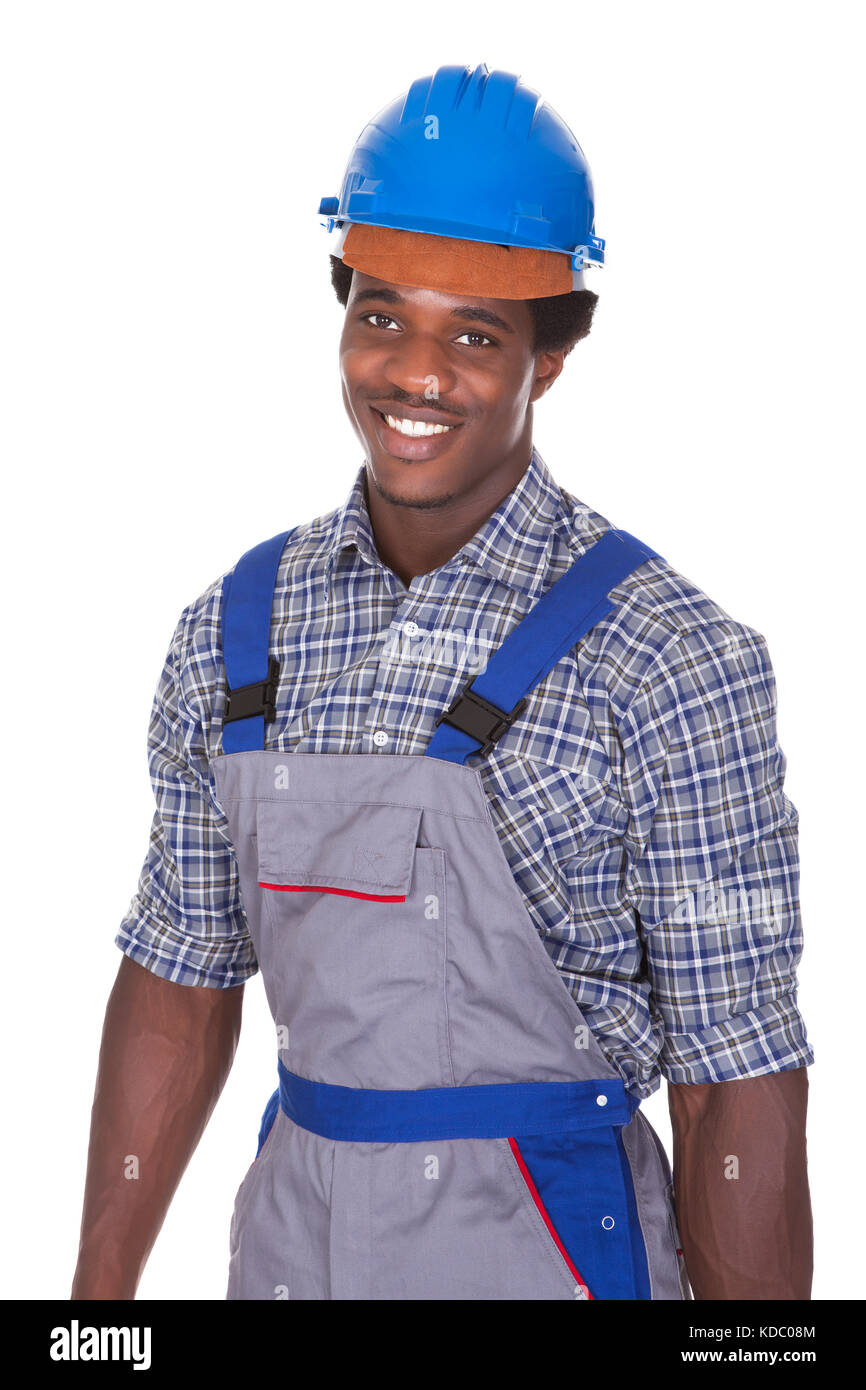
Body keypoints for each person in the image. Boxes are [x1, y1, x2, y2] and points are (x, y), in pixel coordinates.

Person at [72, 63, 814, 1302]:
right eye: (381, 315)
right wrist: (90, 1315)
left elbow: (736, 1072)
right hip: (290, 1263)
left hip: (553, 1264)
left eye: (474, 335)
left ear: (552, 354)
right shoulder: (233, 631)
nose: (414, 374)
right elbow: (180, 974)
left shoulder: (668, 657)